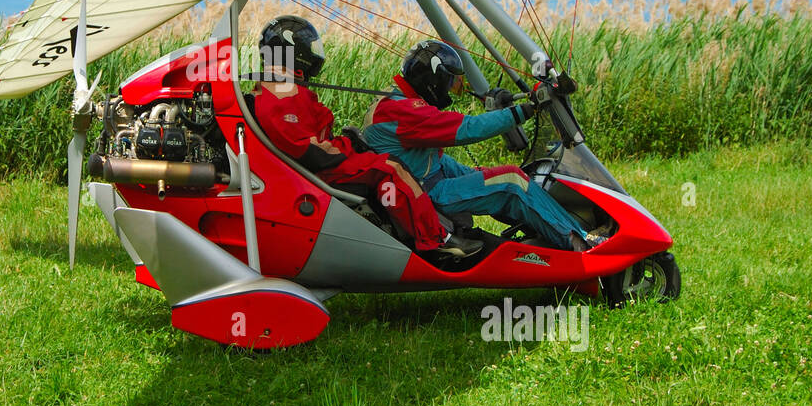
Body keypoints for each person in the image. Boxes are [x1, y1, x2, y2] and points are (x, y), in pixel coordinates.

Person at [250, 17, 481, 261]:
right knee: (390, 168)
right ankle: (436, 240)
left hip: (314, 165)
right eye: (312, 48)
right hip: (318, 170)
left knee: (384, 165)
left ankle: (413, 234)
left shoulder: (279, 86)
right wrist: (347, 146)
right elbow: (307, 149)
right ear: (297, 52)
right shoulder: (281, 92)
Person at [362, 40, 601, 252]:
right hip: (422, 195)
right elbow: (468, 128)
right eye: (450, 83)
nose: (450, 91)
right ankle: (581, 244)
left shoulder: (394, 101)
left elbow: (427, 159)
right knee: (511, 181)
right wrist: (525, 109)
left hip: (418, 179)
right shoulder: (401, 111)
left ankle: (550, 233)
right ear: (433, 79)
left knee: (495, 177)